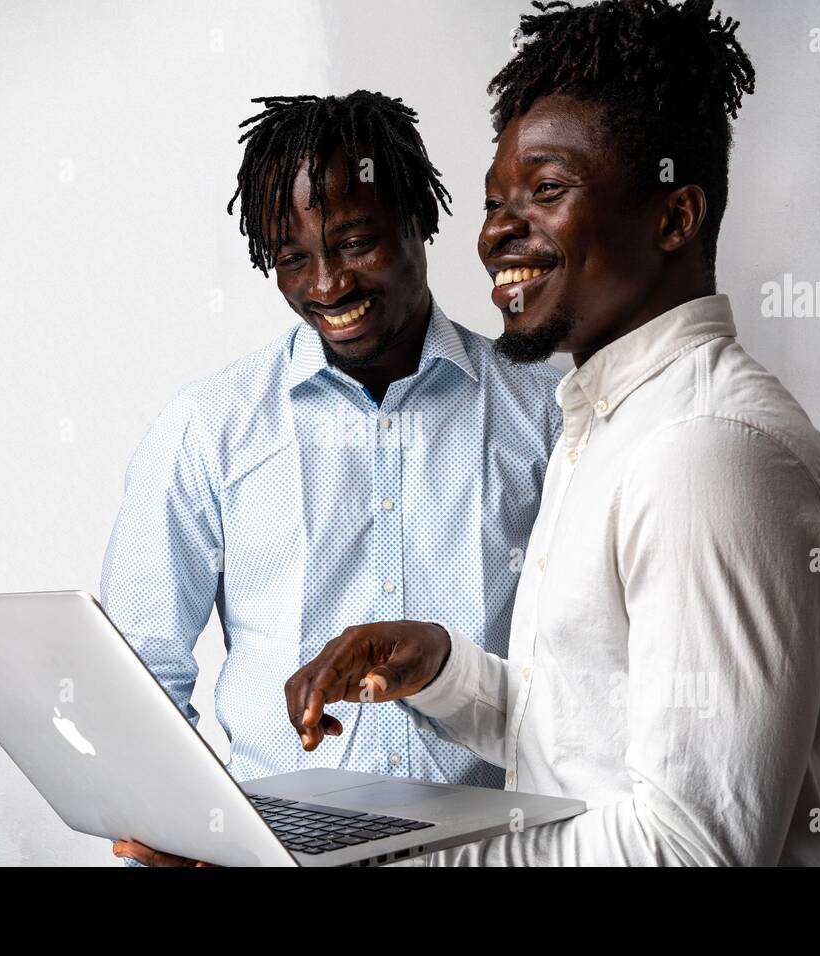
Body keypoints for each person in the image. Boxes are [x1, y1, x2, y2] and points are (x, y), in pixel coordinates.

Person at [288, 0, 820, 866]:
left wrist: (381, 859)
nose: (495, 233)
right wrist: (444, 668)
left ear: (674, 217)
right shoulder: (609, 421)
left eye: (546, 190)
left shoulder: (706, 451)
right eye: (495, 202)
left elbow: (688, 849)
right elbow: (587, 733)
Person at [102, 91, 562, 866]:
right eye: (293, 258)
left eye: (355, 242)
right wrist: (178, 827)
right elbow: (140, 674)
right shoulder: (210, 426)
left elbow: (587, 672)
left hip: (490, 855)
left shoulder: (545, 415)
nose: (327, 285)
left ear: (418, 219)